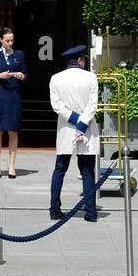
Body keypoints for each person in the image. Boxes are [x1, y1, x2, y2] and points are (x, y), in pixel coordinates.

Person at [48, 44, 99, 222]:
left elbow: (57, 106)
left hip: (66, 129)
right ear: (80, 60)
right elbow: (93, 106)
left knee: (60, 169)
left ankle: (54, 209)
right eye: (84, 60)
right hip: (87, 129)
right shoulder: (91, 78)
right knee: (87, 170)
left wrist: (74, 119)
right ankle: (91, 212)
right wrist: (82, 123)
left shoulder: (55, 78)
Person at [0, 27, 26, 178]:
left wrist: (21, 76)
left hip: (13, 95)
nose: (10, 43)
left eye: (12, 40)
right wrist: (0, 76)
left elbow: (25, 74)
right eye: (7, 40)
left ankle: (12, 166)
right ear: (1, 40)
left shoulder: (20, 54)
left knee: (13, 130)